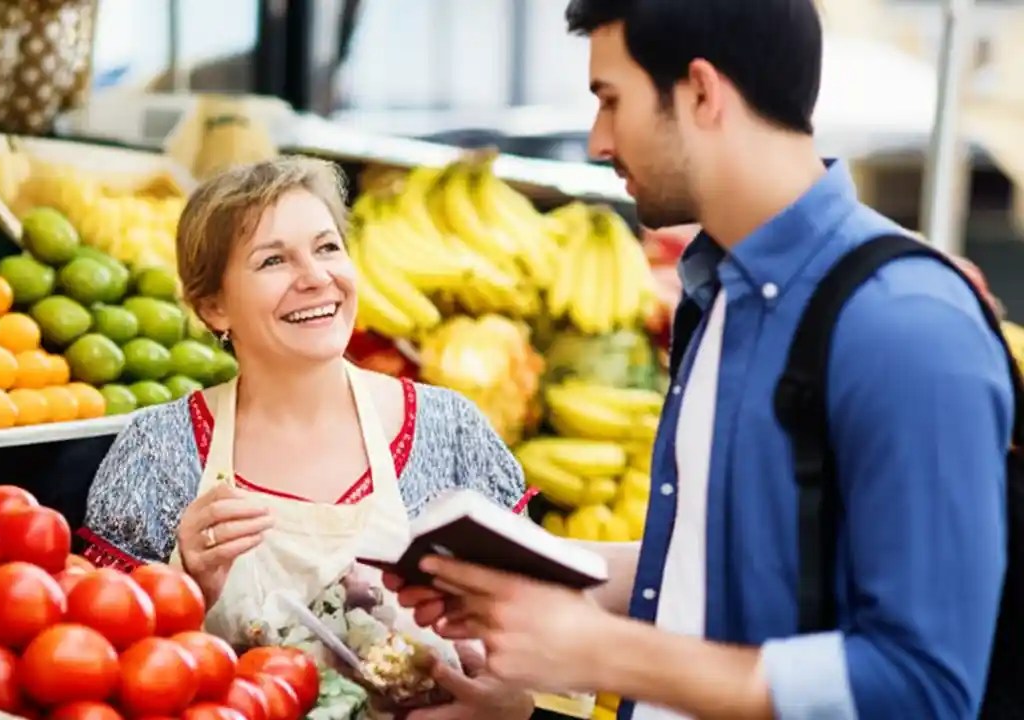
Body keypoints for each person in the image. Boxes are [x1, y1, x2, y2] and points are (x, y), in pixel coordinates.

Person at [387, 1, 1013, 719]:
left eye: (610, 101)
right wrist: (535, 583)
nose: (597, 141)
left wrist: (599, 651)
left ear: (701, 93)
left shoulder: (904, 323)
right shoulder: (718, 296)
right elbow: (699, 574)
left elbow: (924, 687)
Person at [78, 155, 535, 719]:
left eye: (327, 248)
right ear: (213, 307)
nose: (316, 277)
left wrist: (511, 704)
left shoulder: (452, 432)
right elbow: (96, 668)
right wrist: (184, 583)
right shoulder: (159, 452)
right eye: (274, 260)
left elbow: (531, 631)